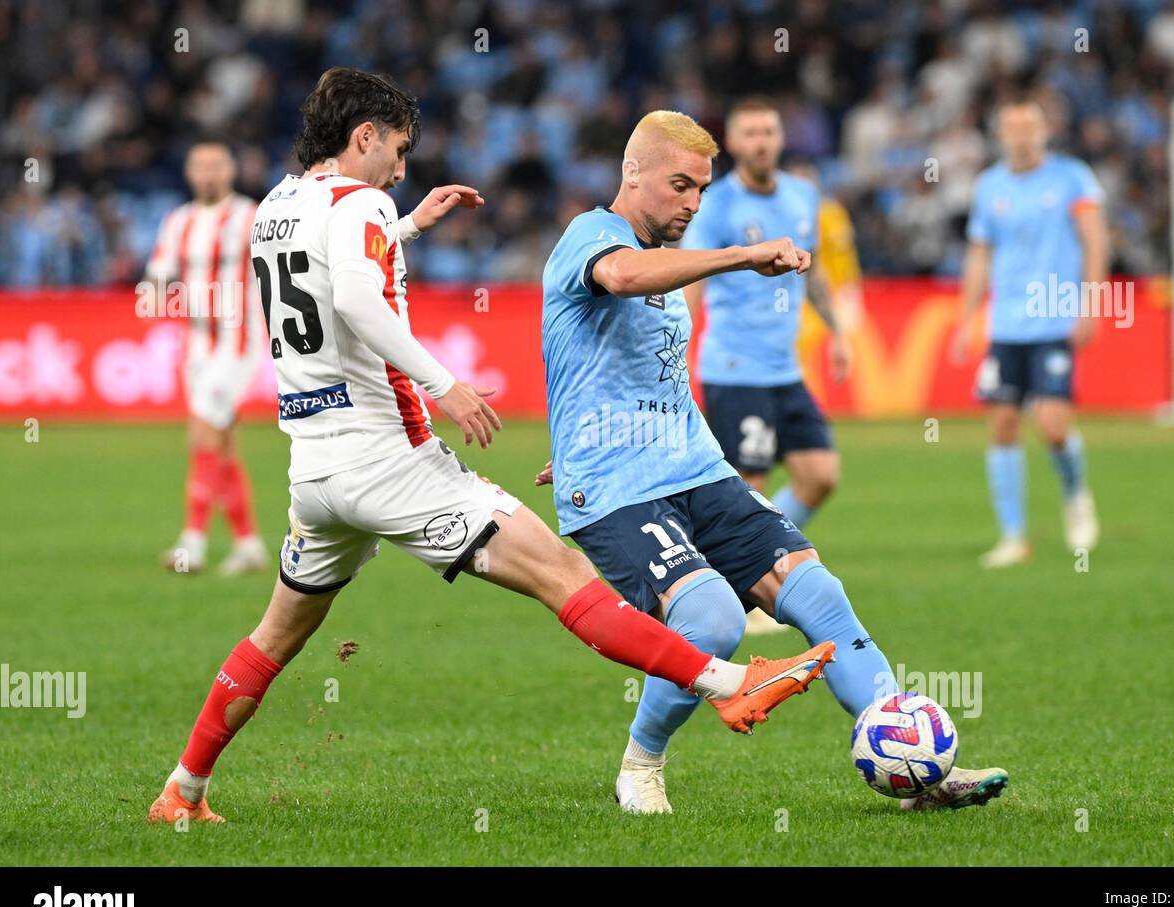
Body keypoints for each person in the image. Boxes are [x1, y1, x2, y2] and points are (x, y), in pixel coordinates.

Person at [147, 68, 833, 826]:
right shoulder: (362, 203)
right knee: (564, 575)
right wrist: (444, 385)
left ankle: (183, 790)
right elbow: (353, 294)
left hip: (313, 468)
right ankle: (729, 683)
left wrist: (409, 228)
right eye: (398, 151)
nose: (400, 173)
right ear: (364, 137)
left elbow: (323, 268)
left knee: (275, 635)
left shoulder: (277, 205)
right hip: (390, 462)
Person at [537, 109, 1007, 814]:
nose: (693, 203)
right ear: (632, 172)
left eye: (702, 188)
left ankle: (917, 767)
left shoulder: (667, 262)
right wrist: (738, 255)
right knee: (713, 623)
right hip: (618, 492)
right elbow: (623, 276)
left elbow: (639, 373)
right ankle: (640, 765)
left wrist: (598, 430)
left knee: (821, 595)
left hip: (695, 469)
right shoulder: (592, 235)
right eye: (680, 185)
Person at [681, 98, 854, 634]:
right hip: (735, 368)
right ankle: (748, 595)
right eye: (750, 133)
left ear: (781, 138)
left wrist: (836, 331)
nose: (761, 141)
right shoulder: (716, 205)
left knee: (820, 476)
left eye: (769, 131)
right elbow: (691, 274)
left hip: (785, 369)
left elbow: (814, 271)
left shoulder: (803, 195)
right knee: (746, 487)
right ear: (732, 143)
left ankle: (753, 566)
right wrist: (676, 347)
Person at [951, 98, 1106, 568]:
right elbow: (980, 254)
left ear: (1045, 131)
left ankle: (1075, 493)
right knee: (1002, 425)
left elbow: (1095, 240)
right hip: (1007, 325)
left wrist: (1092, 304)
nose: (1022, 136)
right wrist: (967, 319)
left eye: (1030, 127)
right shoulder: (989, 186)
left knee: (1053, 427)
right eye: (1013, 128)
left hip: (1055, 316)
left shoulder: (1072, 178)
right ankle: (1014, 537)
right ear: (1000, 134)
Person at [146, 141, 269, 575]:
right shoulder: (178, 221)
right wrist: (156, 294)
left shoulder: (252, 216)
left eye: (216, 165)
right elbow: (158, 276)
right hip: (197, 345)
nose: (209, 173)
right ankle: (248, 544)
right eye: (200, 165)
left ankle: (192, 544)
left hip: (238, 342)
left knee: (201, 436)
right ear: (188, 172)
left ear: (231, 170)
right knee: (222, 445)